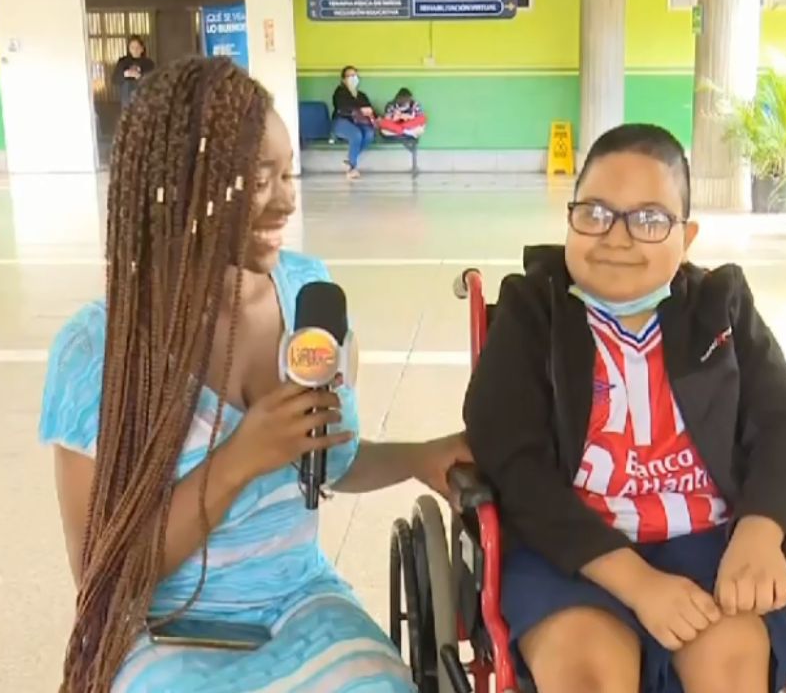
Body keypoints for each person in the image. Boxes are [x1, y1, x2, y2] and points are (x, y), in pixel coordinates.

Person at [41, 57, 469, 693]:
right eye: (258, 178)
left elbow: (332, 462)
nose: (287, 200)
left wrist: (419, 457)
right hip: (161, 625)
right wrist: (241, 457)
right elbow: (99, 572)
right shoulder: (99, 349)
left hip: (300, 601)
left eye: (288, 173)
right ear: (179, 186)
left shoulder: (310, 295)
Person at [463, 123, 786, 693]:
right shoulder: (534, 311)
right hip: (569, 547)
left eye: (650, 220)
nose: (617, 238)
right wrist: (637, 583)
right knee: (588, 674)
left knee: (730, 663)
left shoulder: (719, 309)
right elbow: (509, 455)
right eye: (595, 214)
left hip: (709, 541)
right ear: (570, 218)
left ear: (687, 235)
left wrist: (759, 531)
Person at [331, 65, 376, 180]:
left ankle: (350, 160)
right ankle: (352, 168)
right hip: (341, 121)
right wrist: (360, 110)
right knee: (356, 135)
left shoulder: (361, 95)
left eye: (355, 75)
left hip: (359, 123)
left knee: (369, 134)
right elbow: (343, 107)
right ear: (343, 79)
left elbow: (369, 109)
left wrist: (371, 112)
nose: (353, 78)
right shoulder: (339, 93)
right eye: (349, 76)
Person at [112, 36, 156, 109]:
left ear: (142, 49)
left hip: (143, 99)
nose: (135, 50)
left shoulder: (149, 63)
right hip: (127, 99)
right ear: (129, 49)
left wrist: (140, 76)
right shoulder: (122, 62)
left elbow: (153, 81)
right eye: (132, 47)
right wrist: (125, 74)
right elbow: (114, 79)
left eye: (137, 47)